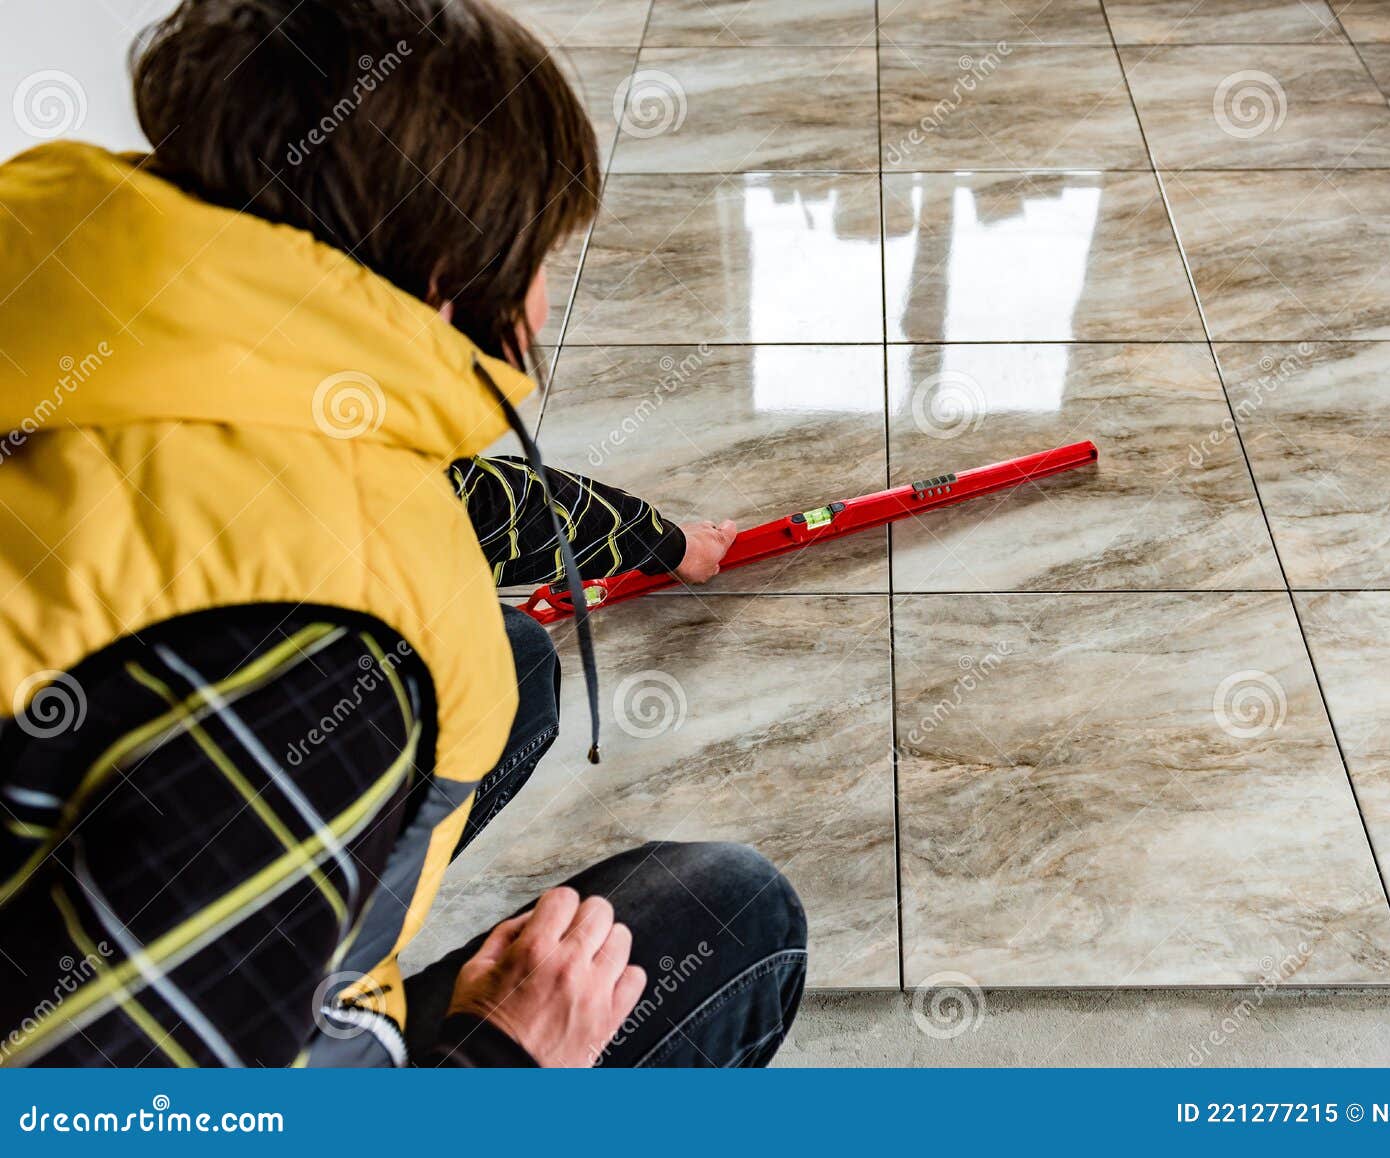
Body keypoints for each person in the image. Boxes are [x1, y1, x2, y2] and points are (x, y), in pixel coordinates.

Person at [0, 0, 806, 1068]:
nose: (546, 295)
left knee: (506, 658)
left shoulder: (101, 326)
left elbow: (439, 500)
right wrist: (511, 1051)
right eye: (539, 259)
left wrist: (654, 538)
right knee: (733, 916)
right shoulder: (325, 642)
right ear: (441, 292)